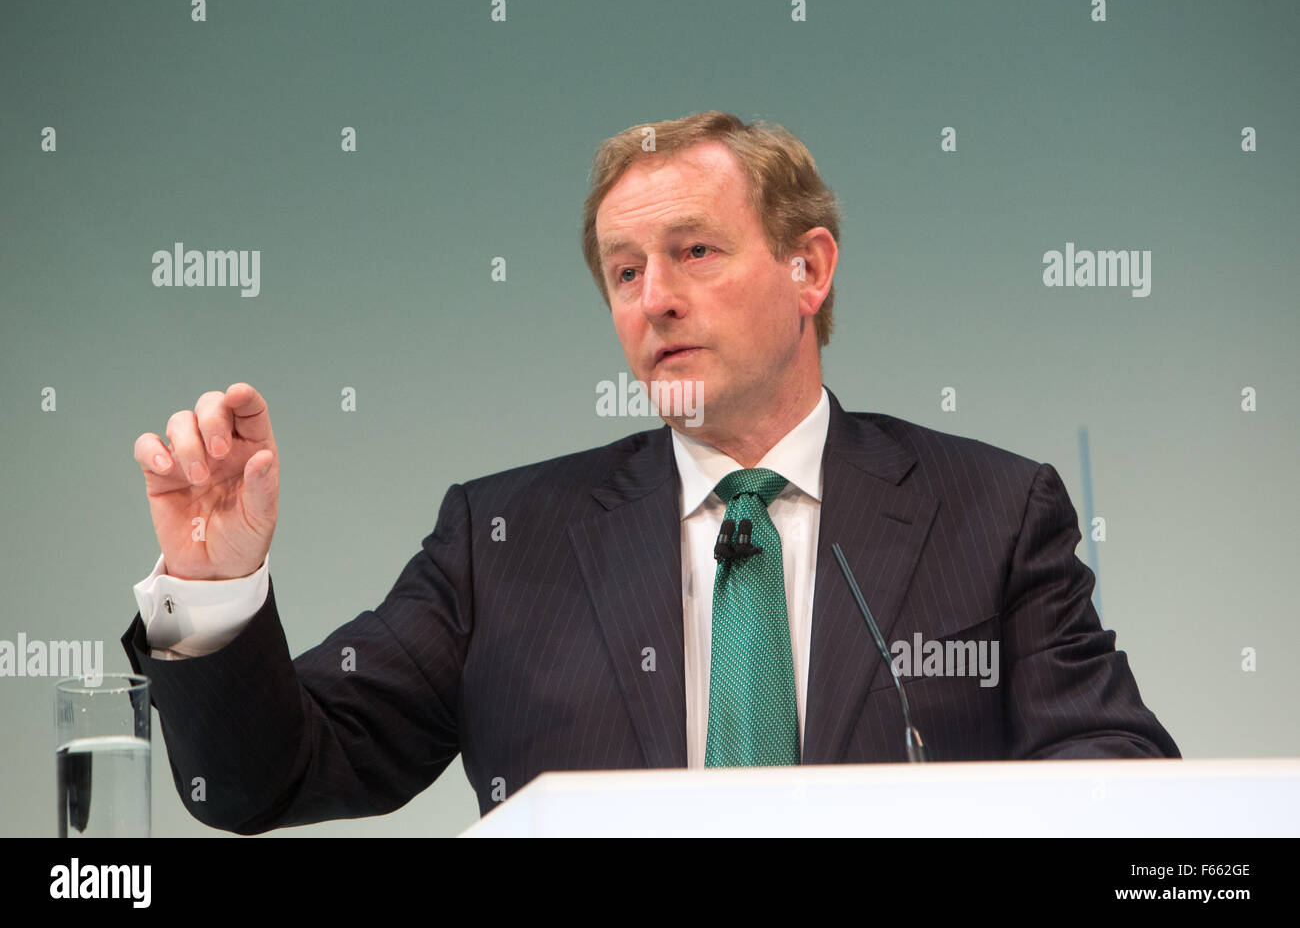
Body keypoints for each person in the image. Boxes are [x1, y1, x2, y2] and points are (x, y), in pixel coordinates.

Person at [123, 111, 1179, 833]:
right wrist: (212, 591)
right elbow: (264, 776)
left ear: (807, 268)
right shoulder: (502, 539)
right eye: (624, 270)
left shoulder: (990, 512)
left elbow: (1115, 777)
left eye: (695, 252)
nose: (654, 297)